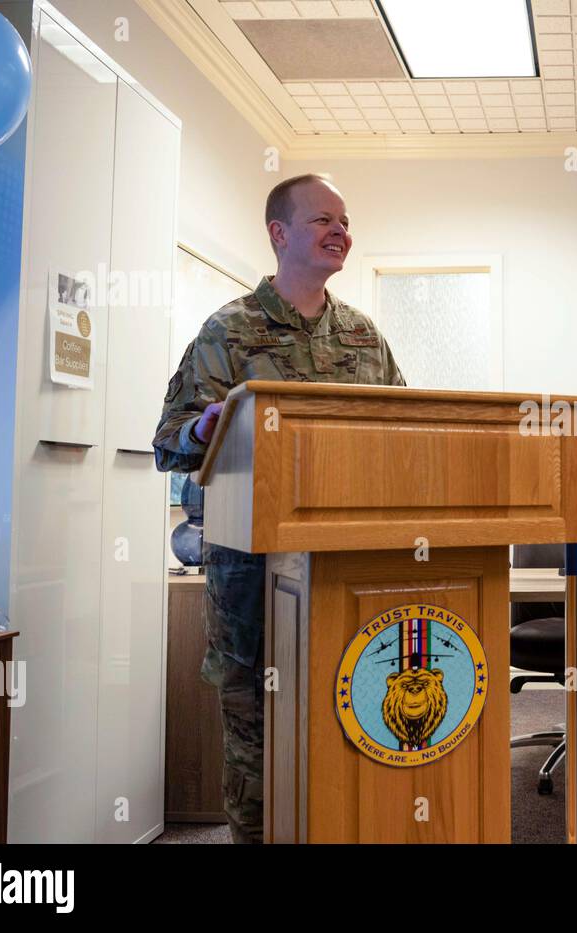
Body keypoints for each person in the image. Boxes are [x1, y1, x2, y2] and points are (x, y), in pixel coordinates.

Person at [152, 173, 406, 841]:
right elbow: (167, 441)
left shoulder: (364, 336)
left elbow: (408, 428)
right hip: (251, 584)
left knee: (346, 728)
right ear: (279, 233)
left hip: (347, 580)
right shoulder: (229, 331)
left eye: (345, 221)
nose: (340, 230)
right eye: (323, 218)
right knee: (258, 755)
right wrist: (203, 429)